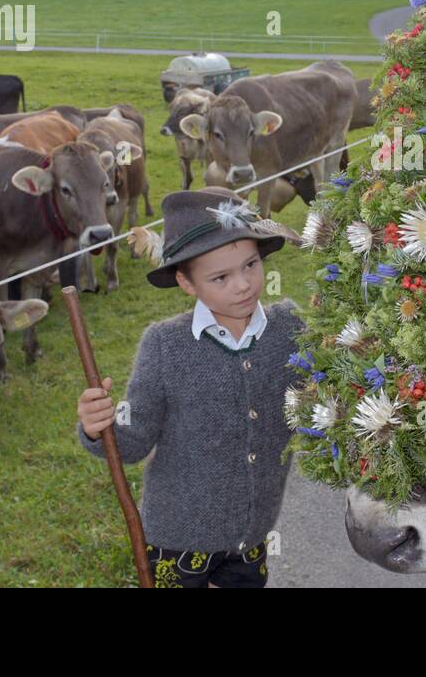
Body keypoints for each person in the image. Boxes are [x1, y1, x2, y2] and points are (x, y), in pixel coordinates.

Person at [77, 188, 303, 588]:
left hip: (251, 538)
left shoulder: (289, 329)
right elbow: (133, 442)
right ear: (186, 282)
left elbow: (320, 408)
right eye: (220, 277)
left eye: (250, 264)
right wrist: (99, 427)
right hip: (177, 543)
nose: (243, 285)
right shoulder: (165, 345)